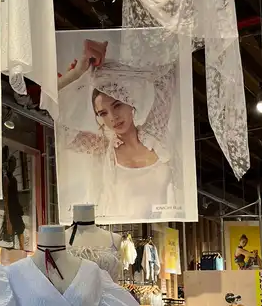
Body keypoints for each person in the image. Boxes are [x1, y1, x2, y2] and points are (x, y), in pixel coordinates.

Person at [58, 39, 177, 221]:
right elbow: (60, 132)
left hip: (168, 227)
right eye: (103, 113)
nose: (113, 117)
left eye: (117, 105)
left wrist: (114, 70)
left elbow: (167, 75)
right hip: (121, 230)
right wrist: (76, 74)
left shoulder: (155, 133)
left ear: (130, 103)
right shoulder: (102, 147)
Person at [0, 147, 26, 250]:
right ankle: (18, 249)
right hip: (11, 208)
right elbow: (6, 196)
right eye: (12, 165)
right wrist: (7, 215)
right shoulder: (7, 179)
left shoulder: (12, 179)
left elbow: (13, 195)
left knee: (19, 229)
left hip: (14, 207)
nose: (13, 167)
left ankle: (21, 249)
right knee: (14, 230)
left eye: (14, 165)